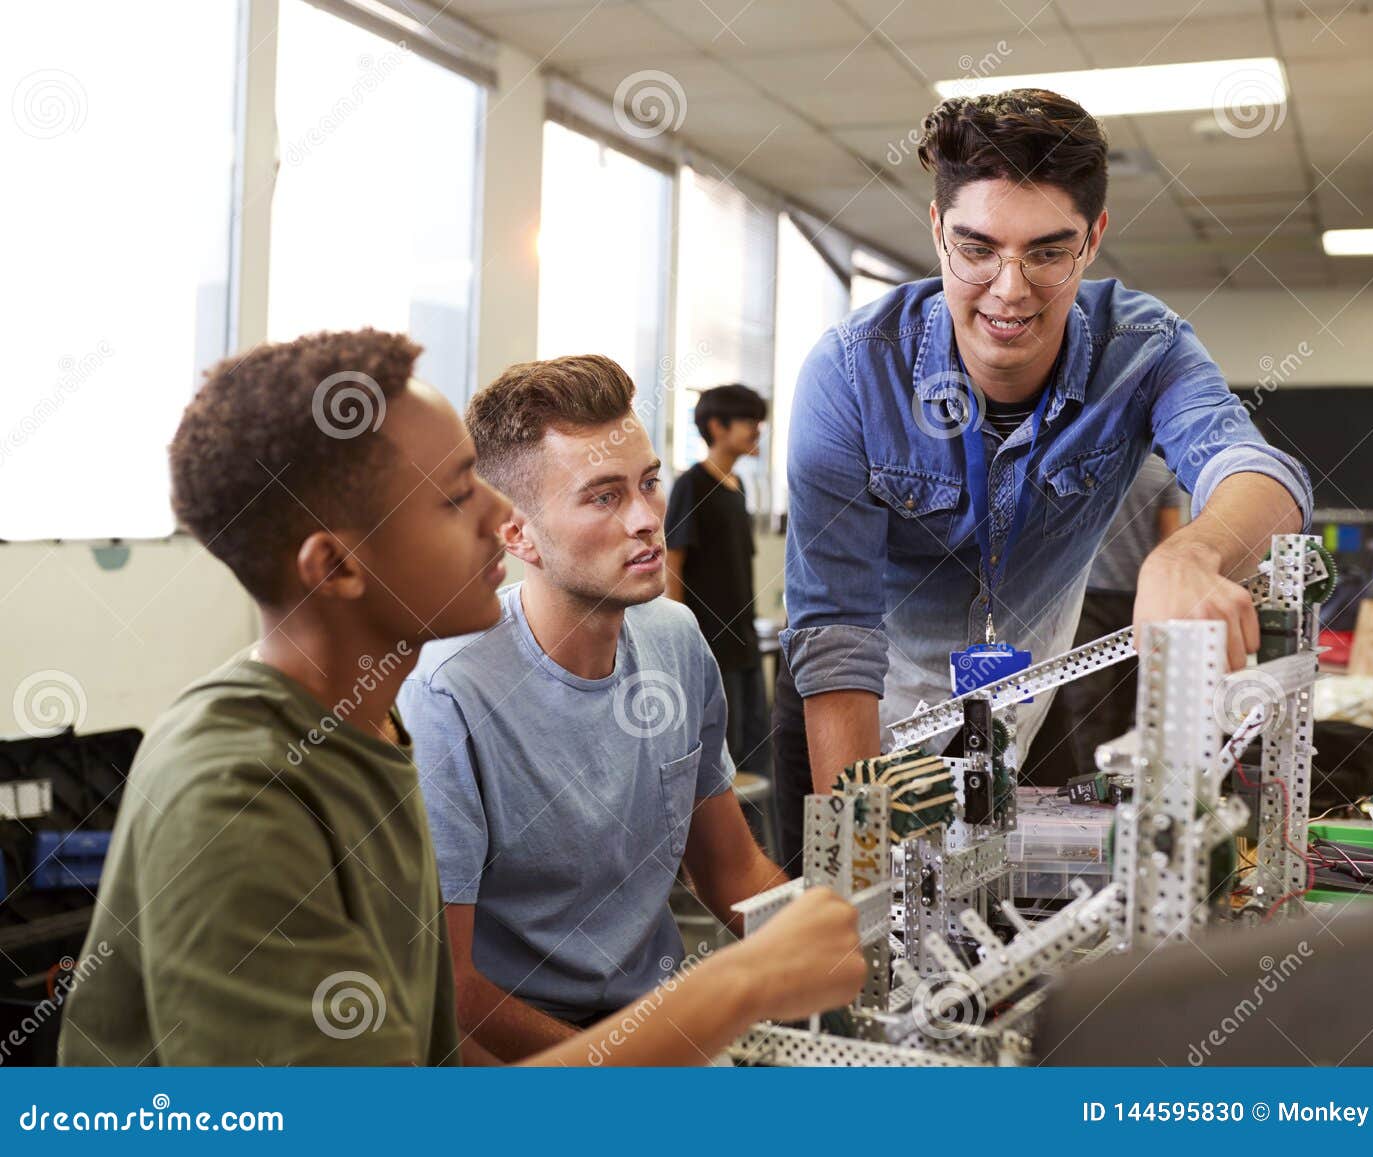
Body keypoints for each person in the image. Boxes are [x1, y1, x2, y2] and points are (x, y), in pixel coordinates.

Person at [57, 331, 864, 1066]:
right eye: (455, 497)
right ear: (337, 566)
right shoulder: (237, 794)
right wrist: (733, 990)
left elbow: (429, 1055)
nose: (500, 517)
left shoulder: (371, 728)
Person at [774, 89, 1313, 871]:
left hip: (1014, 712)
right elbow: (837, 637)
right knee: (848, 951)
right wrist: (862, 873)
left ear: (1093, 240)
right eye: (978, 248)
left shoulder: (1142, 350)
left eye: (1047, 252)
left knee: (1003, 927)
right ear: (937, 230)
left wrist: (1190, 555)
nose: (1009, 288)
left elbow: (1259, 471)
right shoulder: (854, 373)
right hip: (854, 710)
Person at [399, 356, 791, 1061]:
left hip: (662, 1014)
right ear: (516, 533)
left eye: (648, 483)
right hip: (525, 1052)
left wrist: (832, 942)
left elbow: (729, 870)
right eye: (604, 497)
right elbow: (450, 985)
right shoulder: (449, 691)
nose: (646, 520)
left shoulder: (675, 638)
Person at [1021, 454, 1184, 783]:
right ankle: (1091, 787)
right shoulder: (1090, 462)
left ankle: (1112, 787)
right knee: (1094, 702)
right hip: (1093, 598)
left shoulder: (1090, 463)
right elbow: (1171, 542)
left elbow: (1170, 541)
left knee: (1111, 703)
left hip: (1134, 601)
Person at [665, 384, 772, 777]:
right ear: (717, 425)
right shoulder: (691, 483)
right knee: (722, 760)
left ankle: (756, 839)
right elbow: (673, 562)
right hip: (710, 644)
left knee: (757, 751)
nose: (757, 429)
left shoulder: (738, 487)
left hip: (744, 641)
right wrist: (680, 638)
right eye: (748, 421)